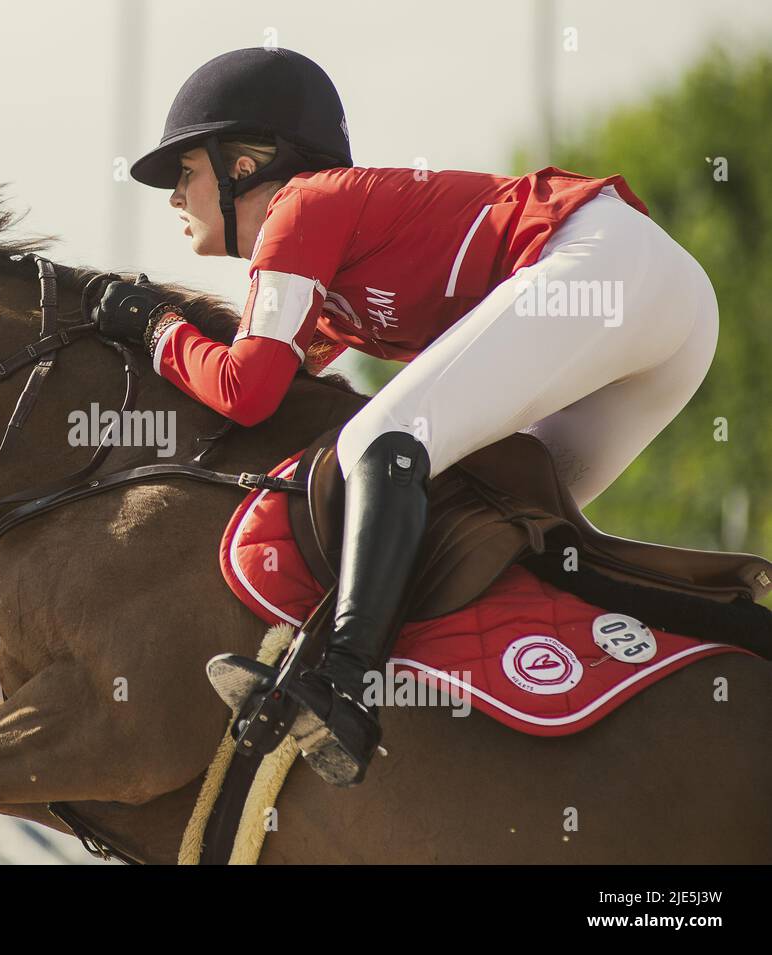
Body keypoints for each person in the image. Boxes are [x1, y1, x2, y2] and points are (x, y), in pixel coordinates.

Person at [93, 47, 719, 787]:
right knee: (511, 517)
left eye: (185, 171)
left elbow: (247, 389)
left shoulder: (301, 206)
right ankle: (720, 637)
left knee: (385, 438)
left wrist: (156, 331)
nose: (174, 197)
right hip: (673, 315)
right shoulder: (325, 247)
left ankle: (340, 686)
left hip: (602, 261)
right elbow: (276, 381)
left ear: (241, 168)